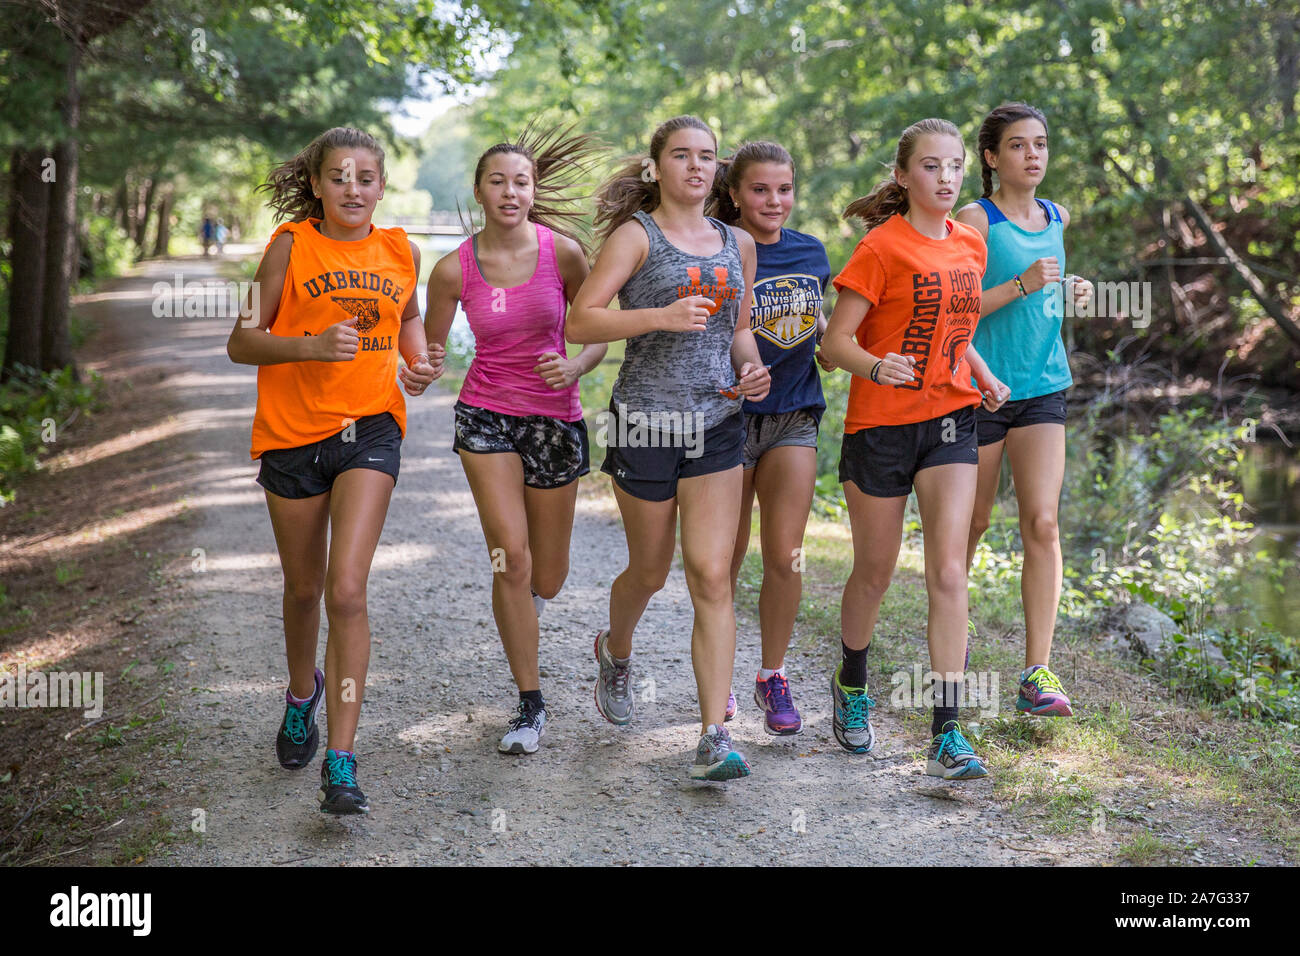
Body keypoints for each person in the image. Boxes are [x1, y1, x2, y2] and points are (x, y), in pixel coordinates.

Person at [227, 126, 440, 814]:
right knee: (304, 590)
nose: (354, 188)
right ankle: (300, 694)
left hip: (370, 429)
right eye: (340, 176)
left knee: (348, 591)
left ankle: (342, 760)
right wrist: (310, 346)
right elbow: (242, 341)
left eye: (366, 177)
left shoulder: (399, 248)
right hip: (292, 436)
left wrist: (418, 362)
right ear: (317, 184)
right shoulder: (291, 246)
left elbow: (409, 318)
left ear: (381, 185)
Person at [567, 115, 771, 781]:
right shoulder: (637, 237)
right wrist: (657, 315)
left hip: (716, 423)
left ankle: (714, 734)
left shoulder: (737, 242)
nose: (695, 167)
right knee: (649, 572)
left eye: (707, 157)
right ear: (655, 168)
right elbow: (580, 320)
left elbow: (739, 330)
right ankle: (615, 651)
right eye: (681, 156)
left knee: (712, 576)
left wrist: (752, 367)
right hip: (645, 426)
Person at [820, 118, 1009, 780]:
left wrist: (981, 374)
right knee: (873, 570)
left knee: (949, 571)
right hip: (881, 426)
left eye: (955, 165)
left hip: (951, 419)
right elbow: (833, 343)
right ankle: (851, 683)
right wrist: (876, 367)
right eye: (931, 166)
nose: (947, 178)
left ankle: (947, 731)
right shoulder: (880, 248)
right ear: (903, 177)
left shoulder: (970, 244)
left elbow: (956, 330)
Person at [425, 124, 607, 755]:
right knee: (511, 554)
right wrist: (417, 369)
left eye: (520, 181)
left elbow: (596, 331)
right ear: (478, 191)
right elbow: (427, 348)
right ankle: (531, 706)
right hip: (485, 415)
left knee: (548, 577)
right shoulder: (453, 269)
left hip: (554, 418)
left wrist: (577, 365)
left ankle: (525, 592)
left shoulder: (565, 255)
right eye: (497, 181)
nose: (510, 190)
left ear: (533, 192)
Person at [956, 103, 1094, 717]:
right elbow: (955, 311)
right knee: (974, 523)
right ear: (992, 158)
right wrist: (1025, 285)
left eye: (1040, 143)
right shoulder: (974, 219)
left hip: (1043, 386)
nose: (1032, 155)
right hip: (983, 391)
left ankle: (1038, 671)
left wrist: (1072, 290)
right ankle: (950, 642)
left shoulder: (1056, 216)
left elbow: (1049, 287)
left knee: (1042, 523)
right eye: (1018, 146)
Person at [708, 141, 833, 736]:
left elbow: (816, 317)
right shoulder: (715, 245)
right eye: (760, 190)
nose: (774, 201)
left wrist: (829, 342)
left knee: (785, 552)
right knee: (725, 559)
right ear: (735, 193)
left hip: (794, 415)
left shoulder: (811, 251)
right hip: (728, 419)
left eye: (784, 189)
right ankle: (720, 676)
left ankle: (772, 675)